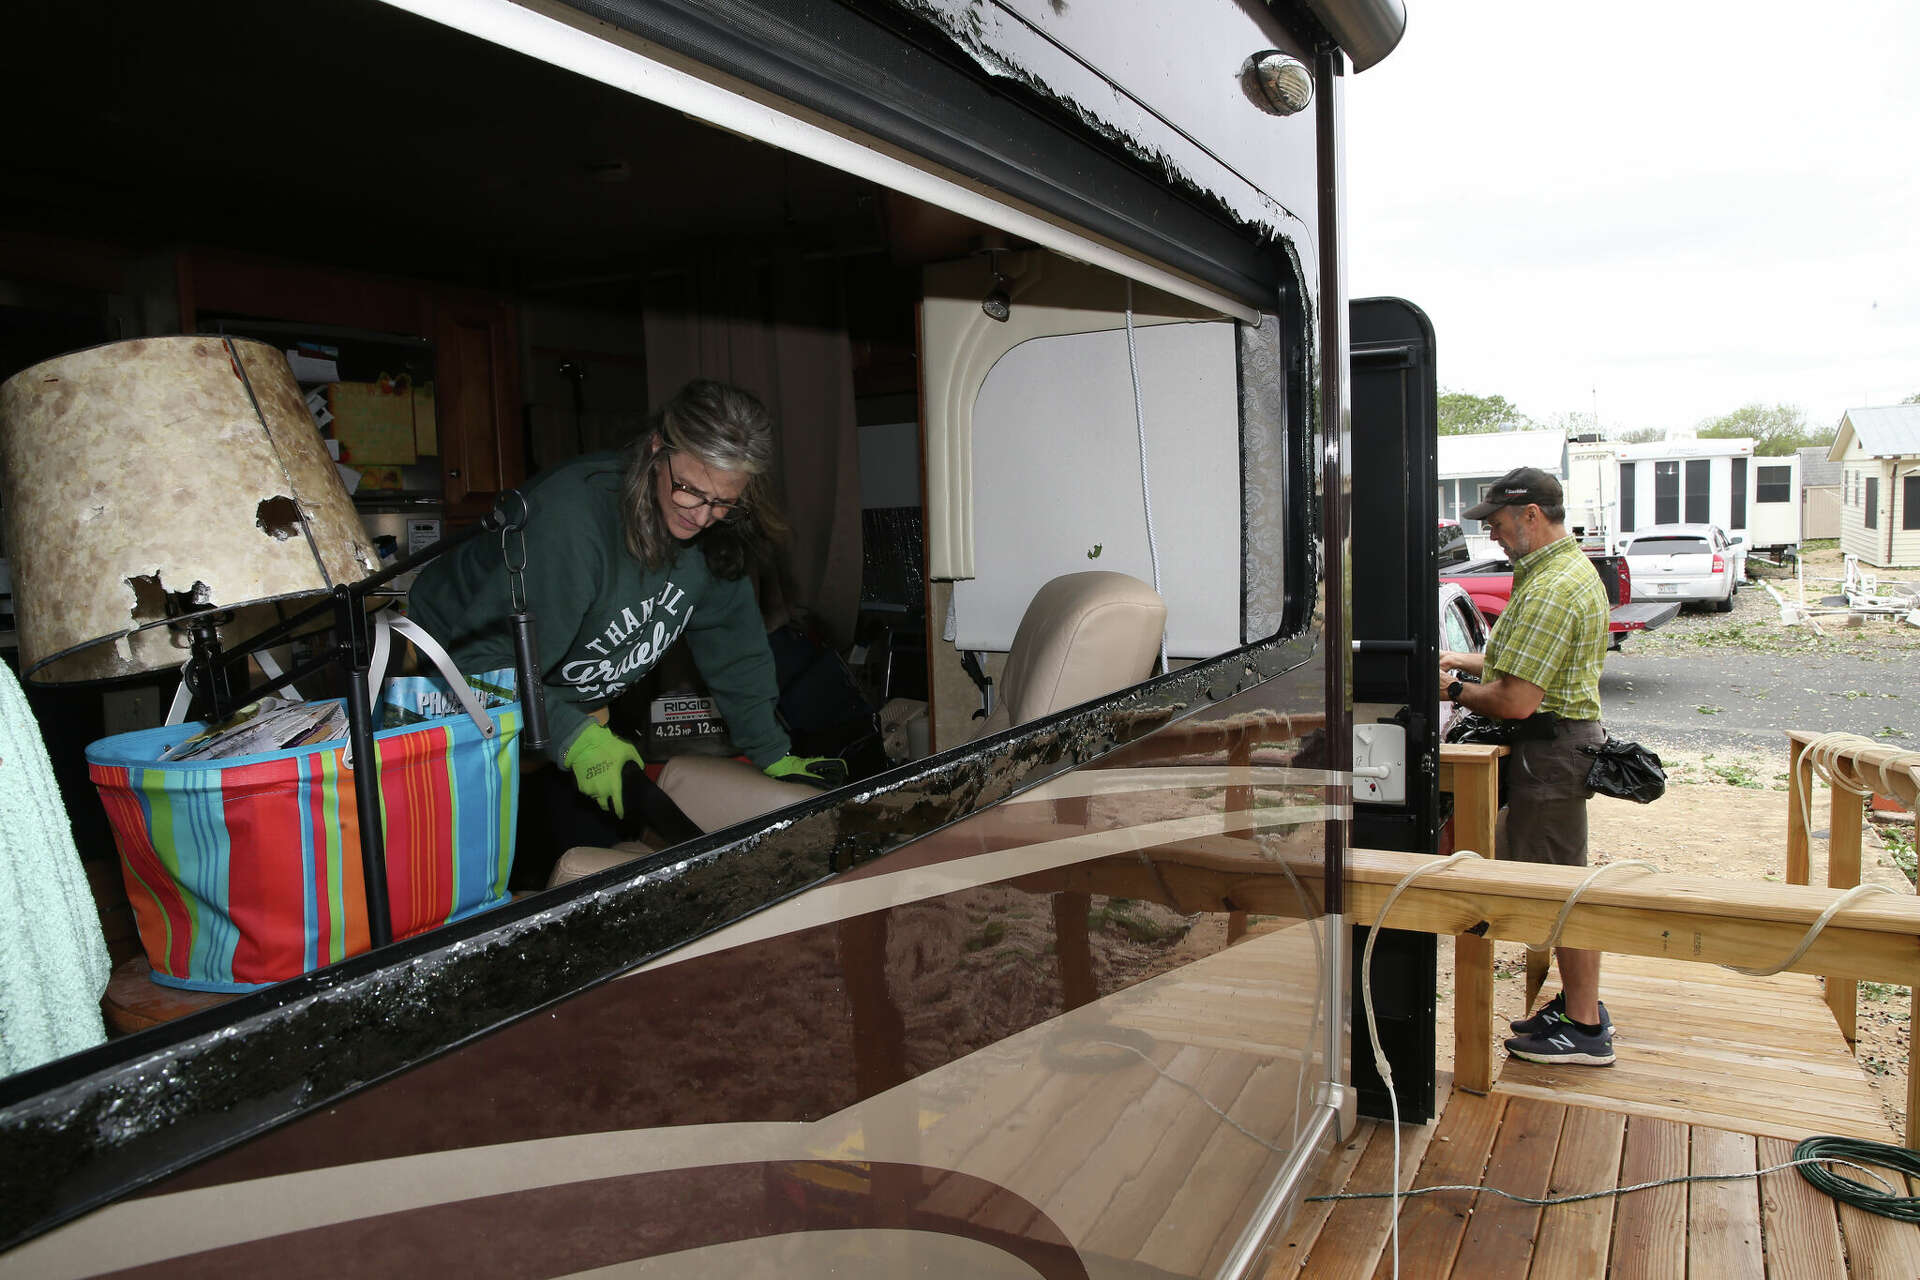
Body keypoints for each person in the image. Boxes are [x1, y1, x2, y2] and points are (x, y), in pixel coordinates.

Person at [408, 379, 844, 886]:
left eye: (724, 501)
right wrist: (576, 740)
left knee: (587, 868)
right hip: (455, 689)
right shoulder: (573, 522)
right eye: (688, 489)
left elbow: (737, 650)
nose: (702, 516)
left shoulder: (718, 530)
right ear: (658, 448)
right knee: (468, 876)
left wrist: (773, 752)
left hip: (562, 696)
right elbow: (482, 669)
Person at [1438, 466, 1614, 1066]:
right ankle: (1579, 1010)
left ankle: (1586, 1030)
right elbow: (1520, 659)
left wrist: (1452, 689)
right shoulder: (1557, 572)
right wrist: (1461, 656)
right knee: (1560, 881)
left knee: (1560, 890)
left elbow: (1516, 699)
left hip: (1552, 752)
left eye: (1498, 521)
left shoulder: (1550, 588)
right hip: (1557, 749)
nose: (1492, 535)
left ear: (1531, 515)